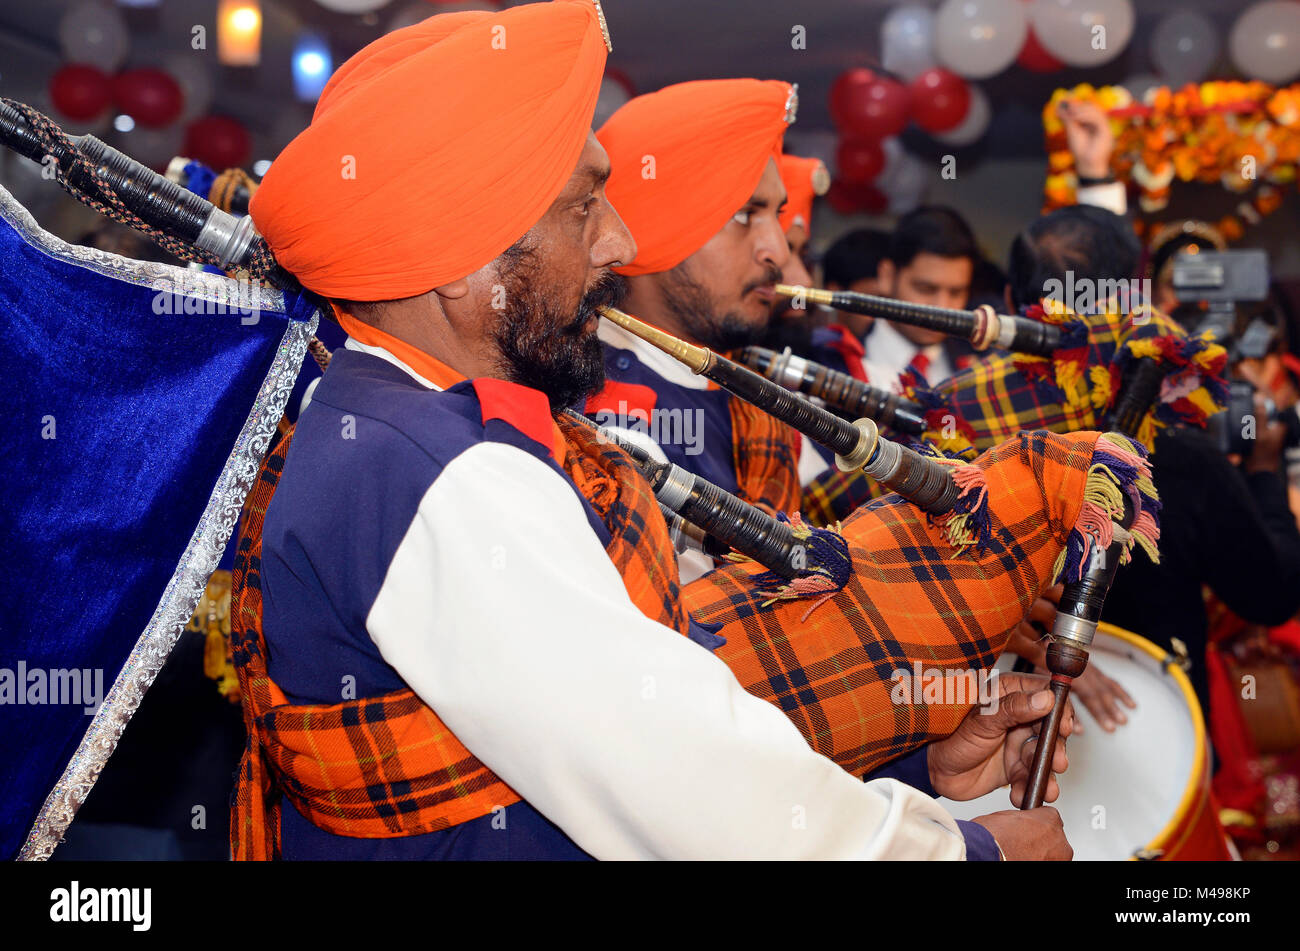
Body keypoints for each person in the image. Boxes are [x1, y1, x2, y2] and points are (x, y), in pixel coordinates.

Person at [237, 2, 1071, 861]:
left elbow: (622, 744)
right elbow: (676, 775)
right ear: (462, 263)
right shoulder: (437, 467)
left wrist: (922, 773)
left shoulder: (392, 425)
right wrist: (960, 854)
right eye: (585, 206)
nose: (622, 240)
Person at [863, 205, 980, 387]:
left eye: (956, 293)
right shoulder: (834, 359)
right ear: (887, 277)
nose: (942, 307)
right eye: (925, 289)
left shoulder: (979, 370)